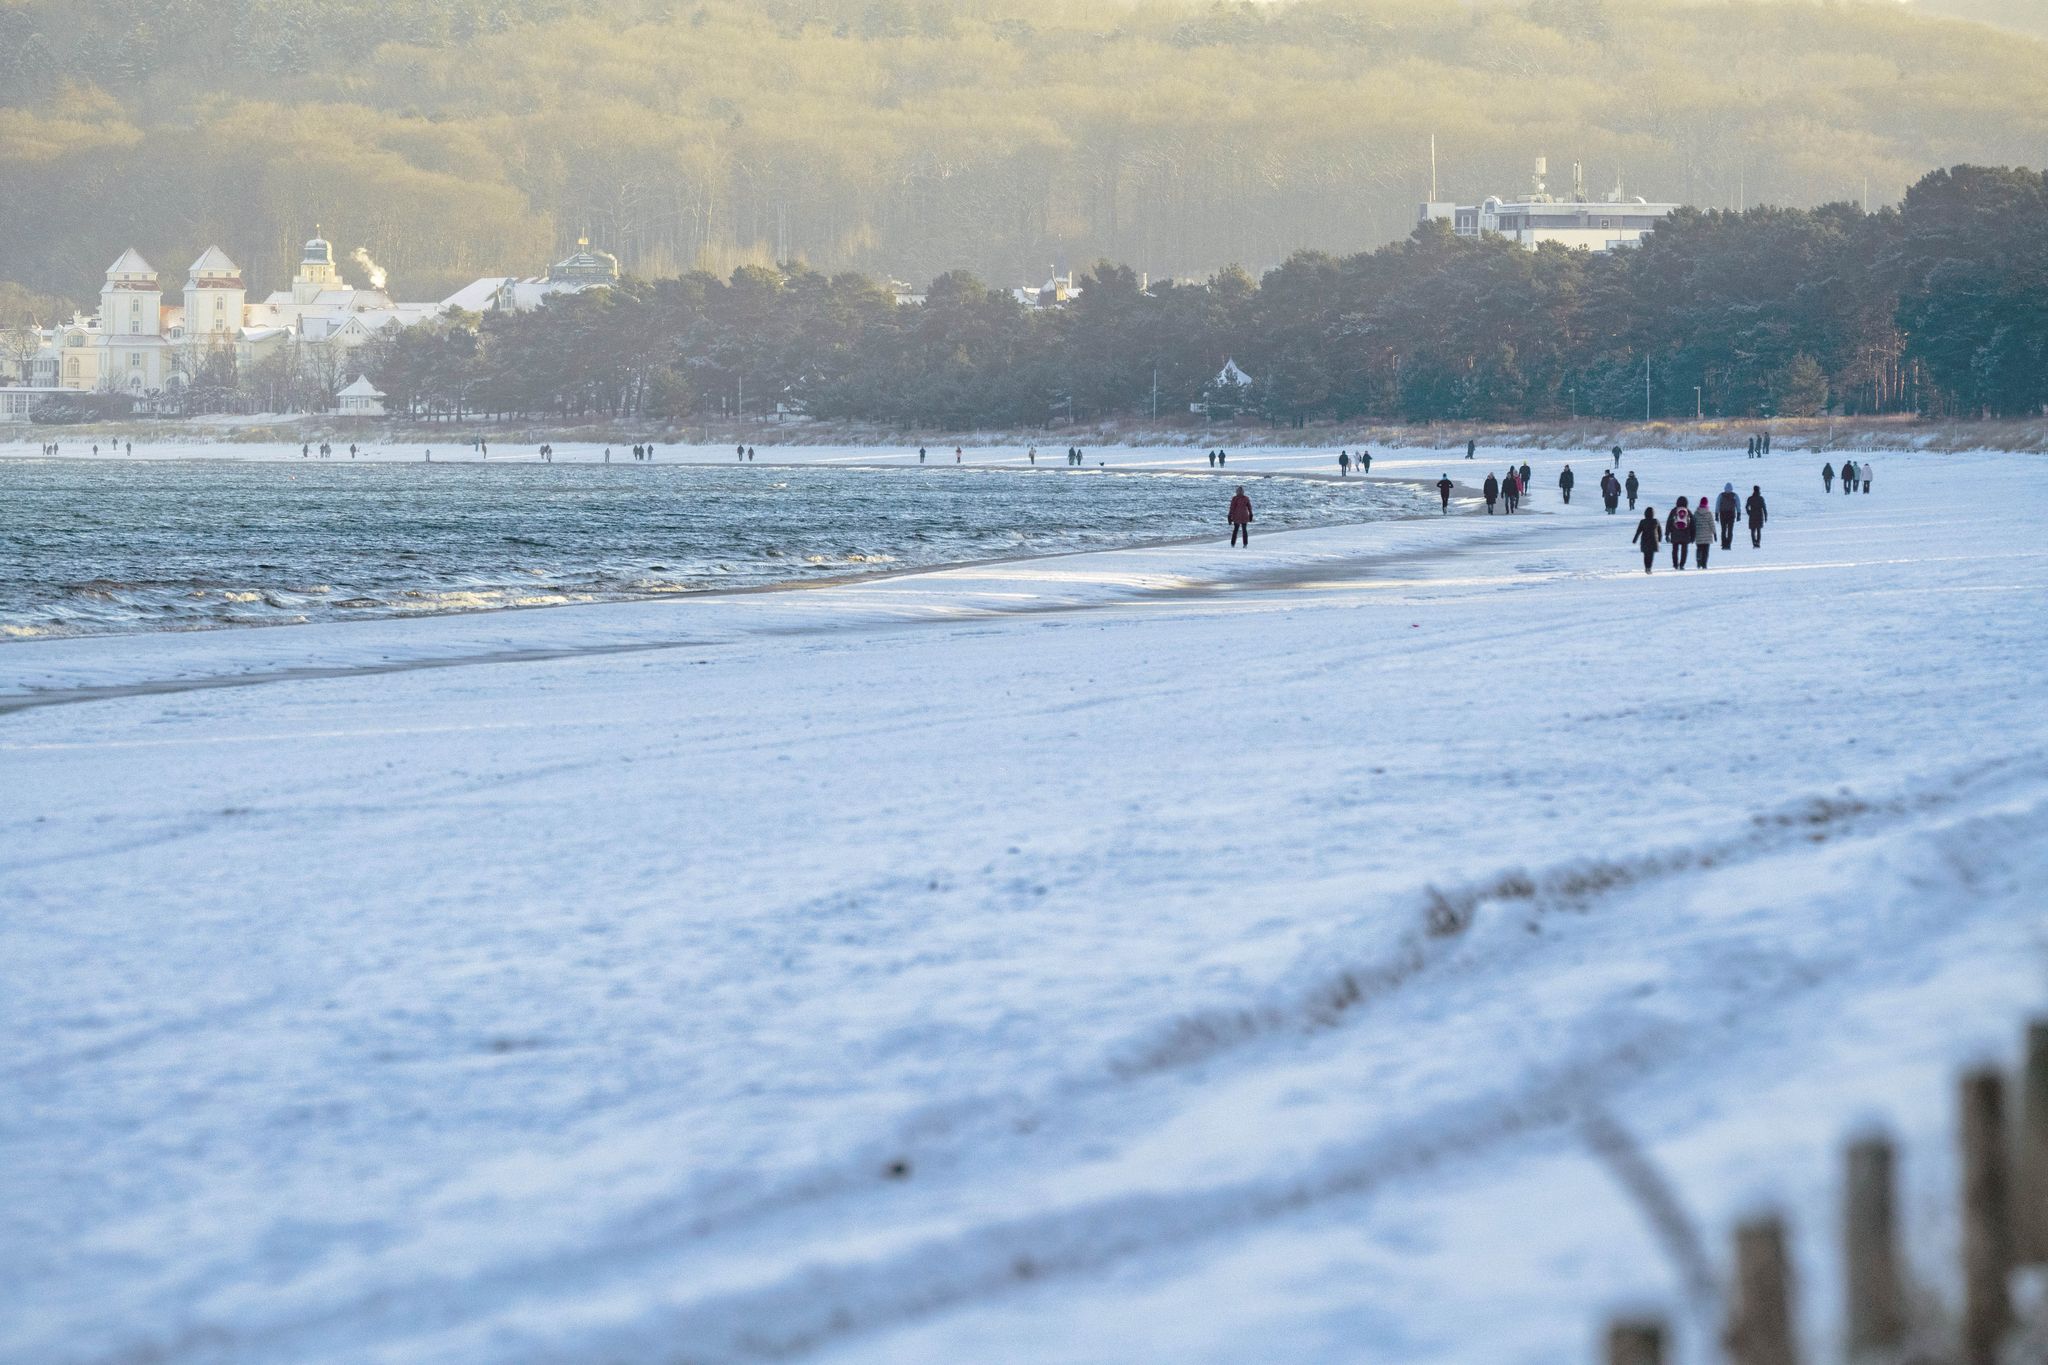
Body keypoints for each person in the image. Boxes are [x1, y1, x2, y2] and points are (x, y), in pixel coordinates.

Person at [1633, 506, 1662, 573]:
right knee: (1651, 555)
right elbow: (1660, 531)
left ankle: (1646, 567)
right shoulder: (1656, 521)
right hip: (1653, 540)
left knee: (1646, 555)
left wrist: (1635, 539)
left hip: (1645, 540)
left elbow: (1638, 531)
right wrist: (1659, 539)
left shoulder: (1643, 521)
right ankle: (1649, 568)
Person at [1665, 499, 1691, 569]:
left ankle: (1675, 564)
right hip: (1685, 534)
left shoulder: (1674, 511)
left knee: (1675, 550)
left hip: (1675, 534)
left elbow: (1669, 522)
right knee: (1684, 550)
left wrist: (1667, 534)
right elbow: (1692, 524)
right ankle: (1682, 564)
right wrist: (1693, 535)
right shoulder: (1688, 511)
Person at [1716, 483, 1740, 551]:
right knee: (1730, 530)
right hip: (1731, 515)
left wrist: (1716, 514)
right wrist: (1738, 514)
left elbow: (1717, 505)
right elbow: (1738, 505)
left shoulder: (1721, 495)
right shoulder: (1734, 495)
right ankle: (1728, 544)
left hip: (1722, 514)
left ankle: (1724, 544)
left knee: (1723, 530)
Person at [1693, 496, 1715, 568]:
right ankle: (1704, 564)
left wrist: (1692, 533)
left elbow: (1693, 524)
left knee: (1699, 548)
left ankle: (1698, 559)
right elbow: (1711, 524)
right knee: (1706, 551)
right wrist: (1714, 533)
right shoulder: (1709, 513)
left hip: (1698, 535)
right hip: (1707, 535)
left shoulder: (1696, 513)